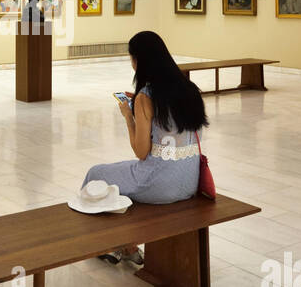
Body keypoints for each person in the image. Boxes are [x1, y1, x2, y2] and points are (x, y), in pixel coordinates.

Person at [82, 30, 209, 266]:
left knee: (95, 174)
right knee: (118, 172)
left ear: (139, 61)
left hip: (159, 184)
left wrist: (128, 116)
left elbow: (141, 152)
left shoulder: (146, 97)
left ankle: (112, 243)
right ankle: (126, 246)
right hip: (189, 181)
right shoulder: (190, 89)